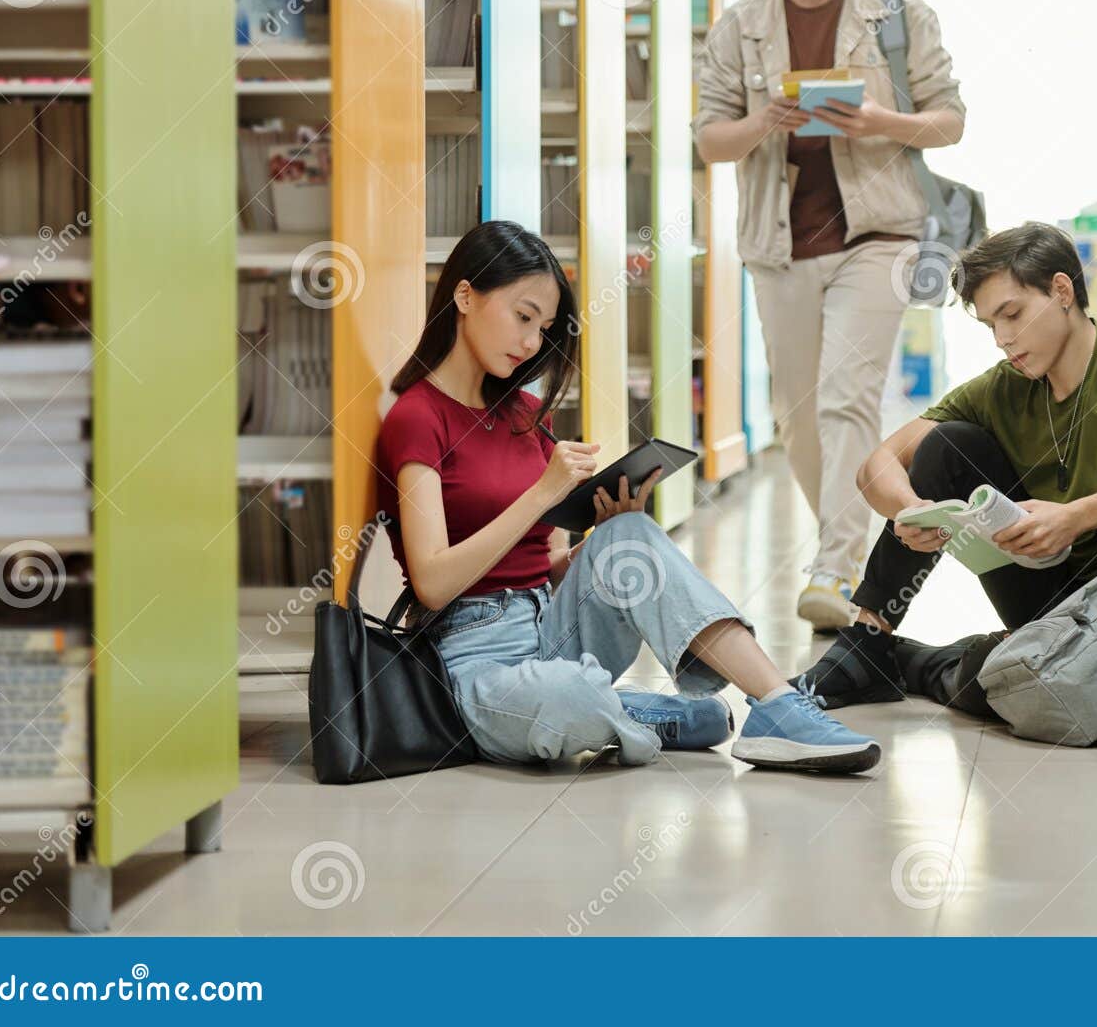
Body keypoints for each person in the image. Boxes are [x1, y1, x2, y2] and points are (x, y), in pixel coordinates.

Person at [375, 220, 881, 774]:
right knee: (571, 698)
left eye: (544, 327)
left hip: (549, 627)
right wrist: (542, 496)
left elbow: (540, 568)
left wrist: (603, 541)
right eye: (523, 317)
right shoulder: (416, 417)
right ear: (465, 295)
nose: (531, 342)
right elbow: (432, 582)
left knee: (629, 535)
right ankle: (626, 710)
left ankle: (779, 707)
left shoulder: (523, 414)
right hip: (472, 657)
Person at [693, 0, 966, 632]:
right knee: (798, 417)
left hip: (881, 232)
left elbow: (950, 120)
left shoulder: (897, 12)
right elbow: (708, 137)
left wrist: (880, 119)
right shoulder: (742, 23)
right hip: (779, 244)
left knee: (847, 394)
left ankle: (835, 564)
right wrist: (763, 124)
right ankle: (844, 549)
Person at [792, 222, 1097, 714]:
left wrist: (1077, 516)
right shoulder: (1004, 387)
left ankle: (912, 662)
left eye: (1013, 314)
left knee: (1009, 687)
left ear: (1062, 291)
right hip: (1050, 603)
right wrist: (916, 513)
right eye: (991, 326)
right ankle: (867, 642)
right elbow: (877, 467)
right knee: (947, 445)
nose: (1003, 338)